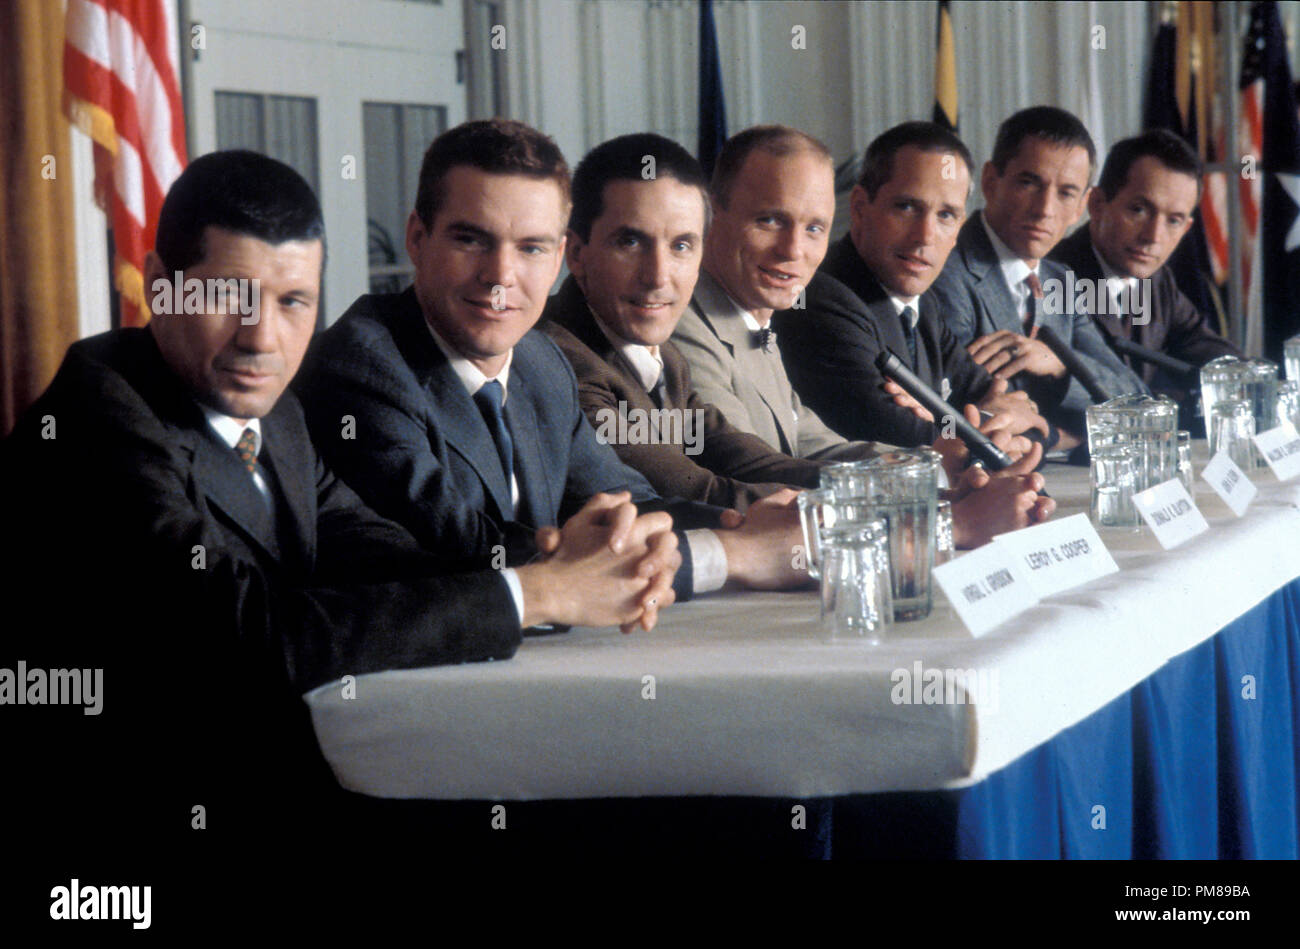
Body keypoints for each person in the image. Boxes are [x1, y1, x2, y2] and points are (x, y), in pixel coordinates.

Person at [1, 150, 680, 857]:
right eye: (229, 296)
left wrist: (571, 558)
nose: (262, 337)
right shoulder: (97, 411)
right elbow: (251, 638)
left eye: (293, 302)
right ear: (159, 287)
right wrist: (534, 594)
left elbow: (378, 549)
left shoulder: (279, 415)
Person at [297, 119, 799, 595]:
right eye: (471, 240)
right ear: (416, 238)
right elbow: (469, 554)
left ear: (560, 257)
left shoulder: (539, 359)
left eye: (531, 248)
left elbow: (622, 503)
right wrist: (728, 556)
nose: (500, 277)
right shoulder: (362, 367)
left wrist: (748, 526)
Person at [675, 124, 1053, 546]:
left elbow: (814, 443)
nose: (793, 250)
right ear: (710, 214)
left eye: (814, 228)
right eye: (769, 220)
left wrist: (932, 462)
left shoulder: (756, 312)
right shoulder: (684, 323)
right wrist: (933, 474)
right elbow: (749, 465)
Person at [772, 121, 1051, 474]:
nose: (925, 236)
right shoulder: (823, 298)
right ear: (860, 207)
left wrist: (970, 419)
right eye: (906, 207)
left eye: (946, 215)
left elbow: (1028, 422)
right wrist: (984, 421)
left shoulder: (924, 302)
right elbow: (902, 436)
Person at [930, 106, 1148, 446]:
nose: (1045, 209)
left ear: (1082, 206)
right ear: (990, 182)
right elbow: (969, 411)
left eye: (1066, 193)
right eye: (1029, 183)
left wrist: (1059, 365)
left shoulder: (1059, 279)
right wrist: (1057, 434)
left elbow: (1136, 399)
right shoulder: (945, 268)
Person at [1049, 128, 1241, 402]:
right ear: (1097, 204)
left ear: (1186, 228)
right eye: (1138, 210)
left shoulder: (1157, 279)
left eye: (1173, 220)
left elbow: (1211, 354)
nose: (1153, 237)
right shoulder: (1052, 276)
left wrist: (1256, 379)